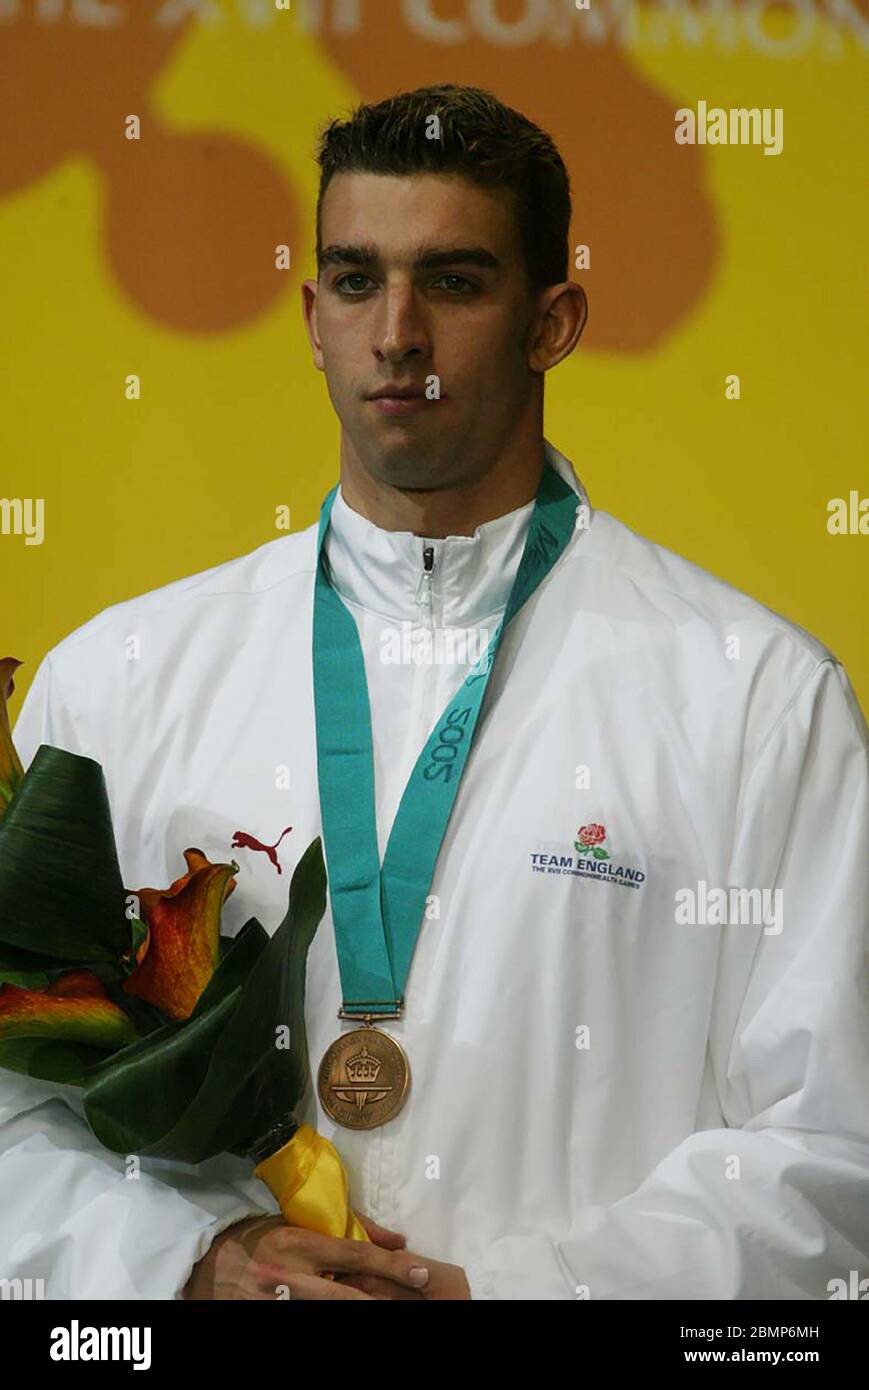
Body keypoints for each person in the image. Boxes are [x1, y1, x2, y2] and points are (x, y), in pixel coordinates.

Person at [5, 83, 869, 1301]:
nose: (396, 333)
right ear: (311, 318)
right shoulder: (118, 682)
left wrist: (513, 1297)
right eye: (356, 280)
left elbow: (832, 1152)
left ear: (551, 322)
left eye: (453, 282)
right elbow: (12, 1116)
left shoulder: (754, 697)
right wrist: (182, 1263)